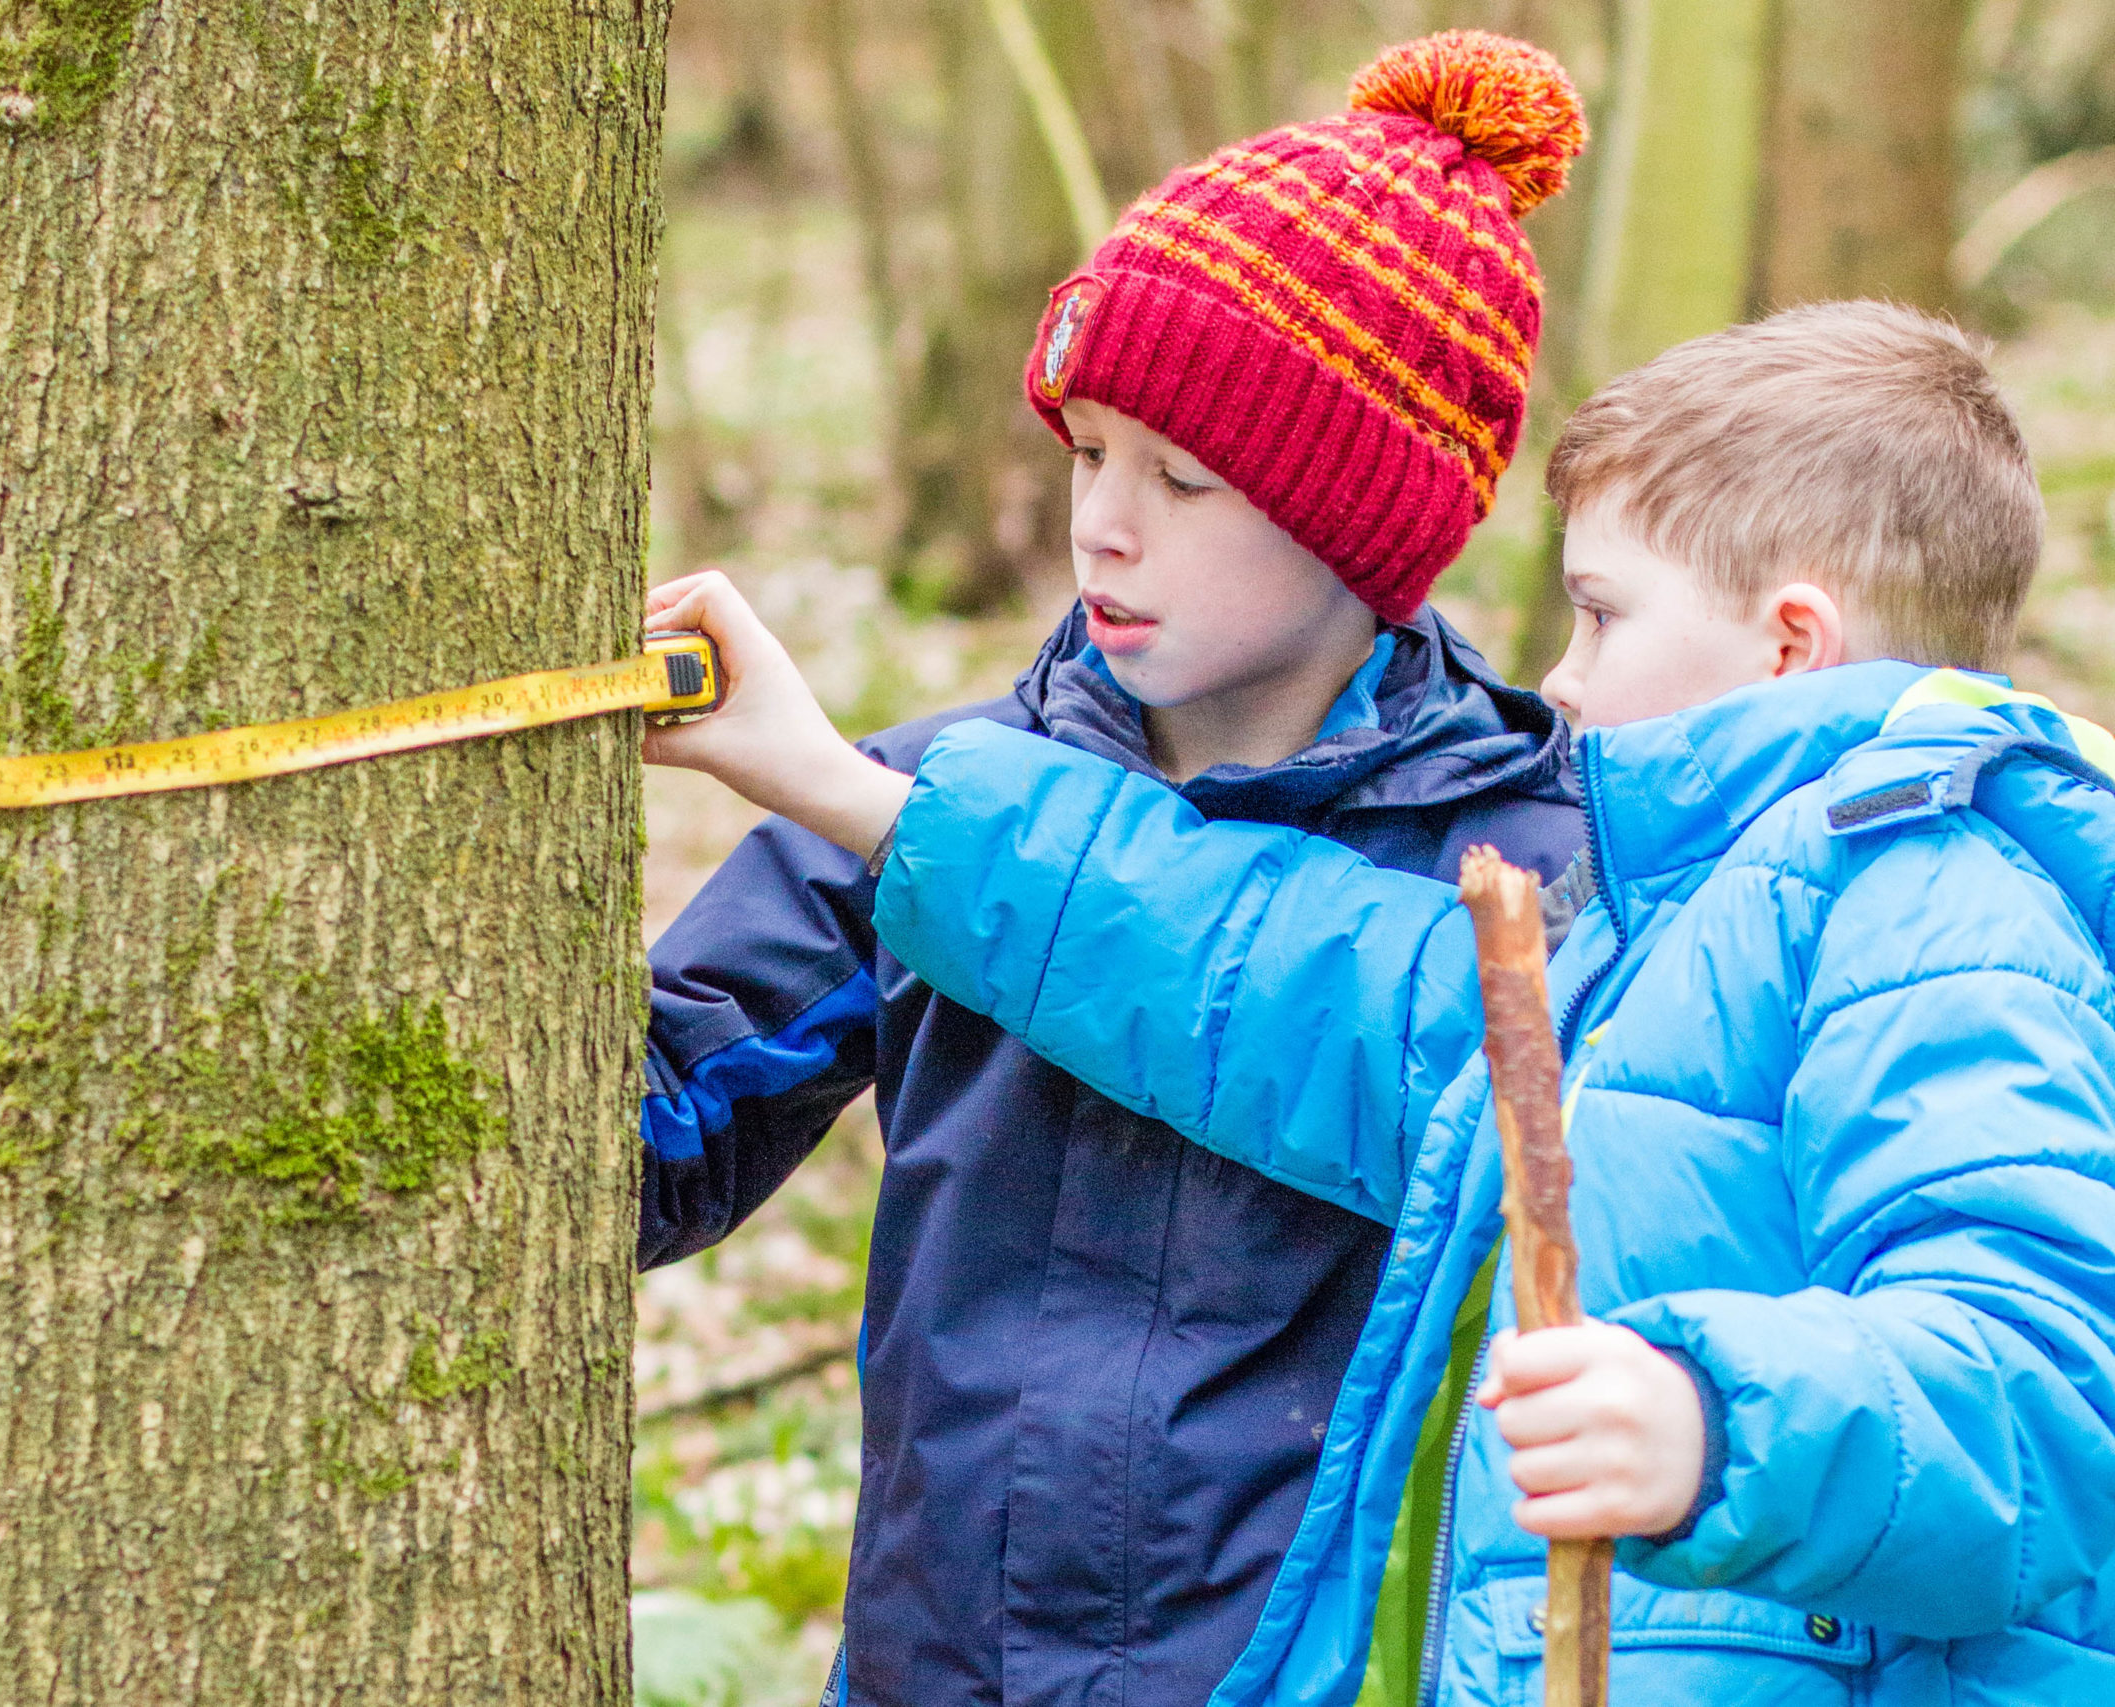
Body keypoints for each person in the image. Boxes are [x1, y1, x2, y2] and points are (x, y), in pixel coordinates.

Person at [652, 299, 2115, 1704]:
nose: (1559, 680)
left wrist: (1714, 1423)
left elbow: (2051, 1399)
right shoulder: (1648, 932)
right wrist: (839, 787)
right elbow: (1260, 972)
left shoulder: (1937, 911)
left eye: (1601, 615)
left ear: (1791, 645)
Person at [636, 31, 1591, 1706]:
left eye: (1183, 477)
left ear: (1365, 525)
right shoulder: (930, 792)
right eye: (1087, 450)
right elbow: (654, 1135)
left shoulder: (1525, 877)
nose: (1102, 524)